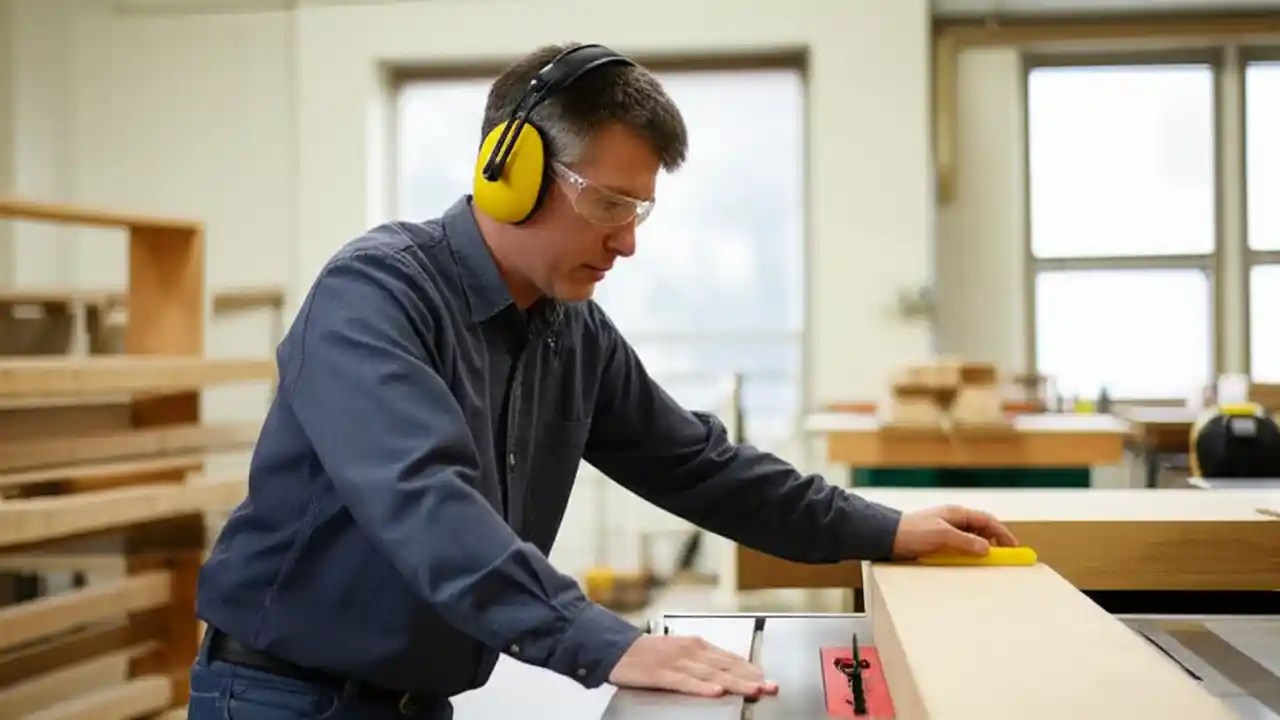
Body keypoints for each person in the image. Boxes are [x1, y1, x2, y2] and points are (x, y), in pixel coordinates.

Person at [187, 42, 1018, 720]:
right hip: (278, 697)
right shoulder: (374, 296)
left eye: (639, 210)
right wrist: (609, 642)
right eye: (609, 204)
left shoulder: (568, 330)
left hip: (416, 701)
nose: (626, 243)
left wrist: (887, 529)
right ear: (507, 173)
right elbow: (427, 506)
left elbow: (700, 466)